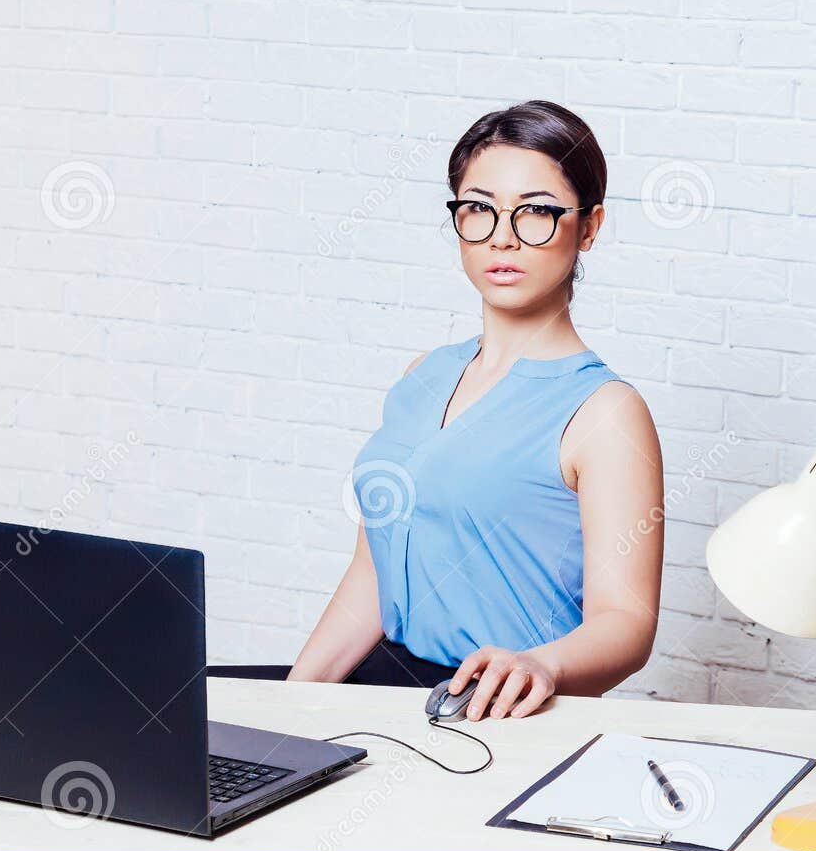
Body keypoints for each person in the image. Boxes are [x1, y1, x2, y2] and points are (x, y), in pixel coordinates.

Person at [223, 101, 664, 721]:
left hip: (491, 706)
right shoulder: (423, 375)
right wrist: (291, 708)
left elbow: (626, 625)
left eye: (537, 211)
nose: (503, 237)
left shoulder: (606, 412)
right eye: (479, 209)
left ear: (588, 227)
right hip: (384, 683)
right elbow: (372, 576)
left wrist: (542, 666)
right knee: (188, 710)